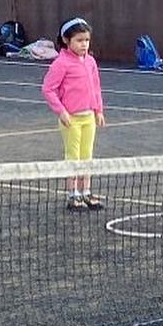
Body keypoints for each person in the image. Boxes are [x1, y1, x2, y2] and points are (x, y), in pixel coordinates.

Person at [41, 17, 106, 210]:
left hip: (89, 118)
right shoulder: (61, 63)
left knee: (87, 156)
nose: (84, 44)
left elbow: (96, 87)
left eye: (86, 40)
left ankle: (86, 192)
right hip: (71, 120)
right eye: (79, 40)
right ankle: (73, 195)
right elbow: (48, 89)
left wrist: (99, 110)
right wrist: (61, 111)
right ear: (66, 41)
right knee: (73, 157)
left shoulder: (91, 62)